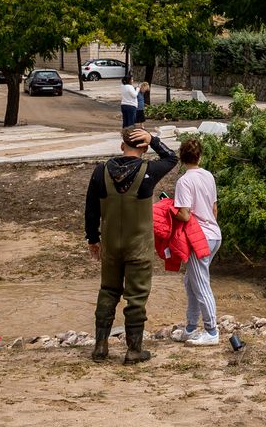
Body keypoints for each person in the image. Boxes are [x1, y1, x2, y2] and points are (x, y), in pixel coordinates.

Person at [85, 126, 178, 364]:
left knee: (108, 291)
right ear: (144, 148)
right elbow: (171, 158)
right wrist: (154, 139)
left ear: (121, 146)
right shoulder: (149, 170)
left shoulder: (101, 172)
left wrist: (93, 239)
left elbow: (91, 210)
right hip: (138, 246)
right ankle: (133, 350)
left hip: (111, 246)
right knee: (136, 297)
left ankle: (100, 347)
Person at [172, 138, 223, 346]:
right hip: (214, 235)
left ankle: (211, 331)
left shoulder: (184, 181)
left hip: (198, 238)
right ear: (200, 156)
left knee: (200, 283)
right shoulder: (208, 176)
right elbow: (214, 209)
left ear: (181, 158)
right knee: (191, 281)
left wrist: (170, 211)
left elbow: (184, 215)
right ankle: (191, 327)